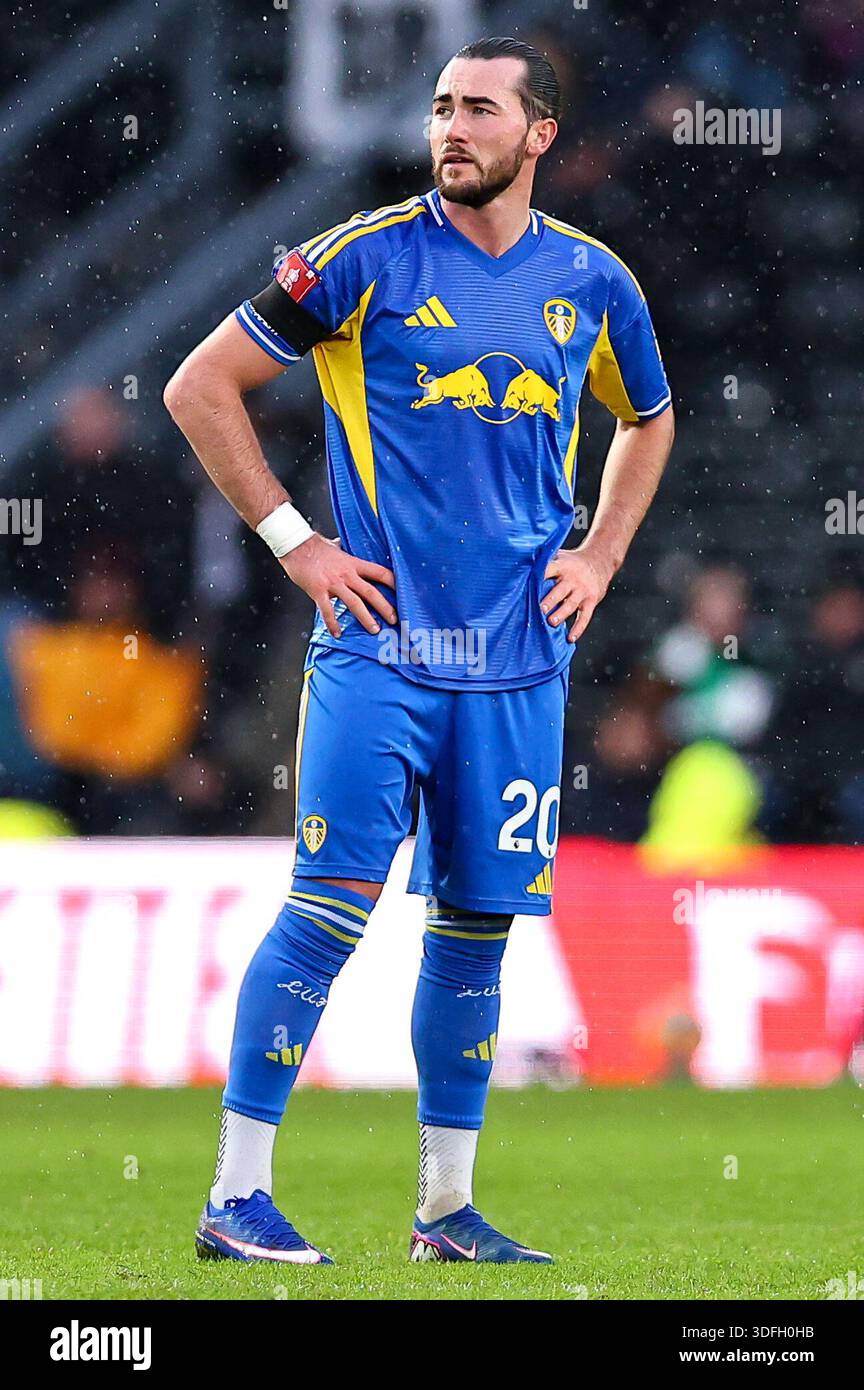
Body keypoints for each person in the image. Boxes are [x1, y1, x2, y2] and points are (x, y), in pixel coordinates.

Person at [164, 35, 674, 1267]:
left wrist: (599, 556)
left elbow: (650, 419)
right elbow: (197, 387)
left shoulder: (593, 281)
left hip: (518, 668)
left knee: (476, 932)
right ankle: (237, 1198)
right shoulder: (362, 257)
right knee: (328, 911)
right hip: (380, 652)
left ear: (537, 135)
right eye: (443, 107)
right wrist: (297, 545)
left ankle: (444, 1213)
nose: (453, 128)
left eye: (479, 110)